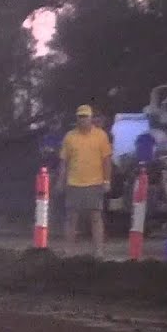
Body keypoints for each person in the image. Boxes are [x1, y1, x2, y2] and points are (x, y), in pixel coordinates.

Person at [57, 104, 113, 256]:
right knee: (71, 218)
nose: (83, 120)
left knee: (96, 217)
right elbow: (64, 161)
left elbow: (106, 160)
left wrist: (107, 181)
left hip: (95, 183)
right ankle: (68, 250)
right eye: (80, 117)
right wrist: (61, 181)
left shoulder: (101, 136)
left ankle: (99, 251)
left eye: (85, 117)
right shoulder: (69, 137)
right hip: (74, 183)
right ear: (77, 118)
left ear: (91, 118)